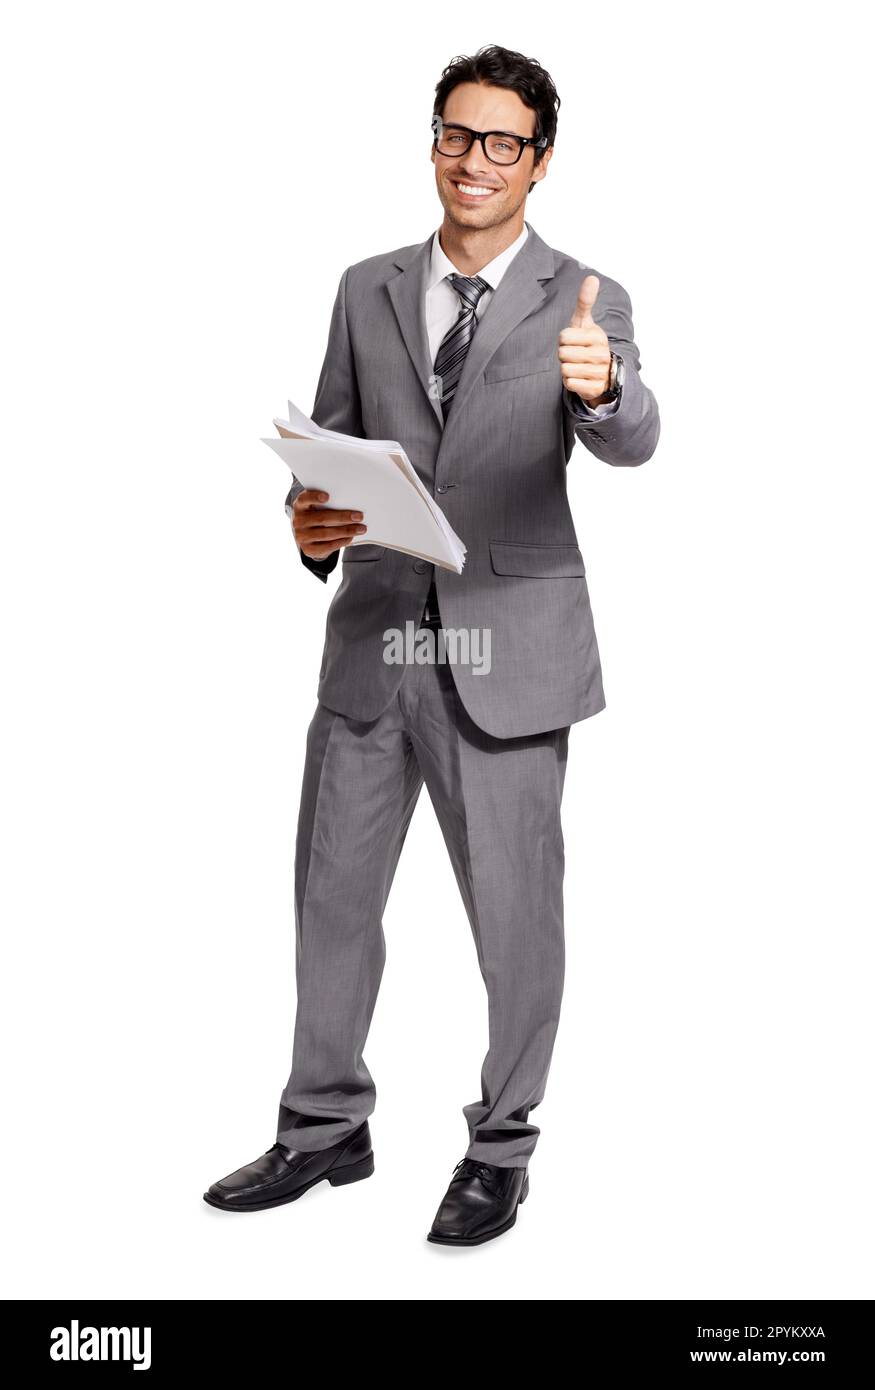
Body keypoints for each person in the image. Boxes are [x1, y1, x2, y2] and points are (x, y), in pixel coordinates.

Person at [204, 43, 660, 1246]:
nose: (474, 160)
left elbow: (634, 435)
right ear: (433, 142)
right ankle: (321, 1127)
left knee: (514, 921)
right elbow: (331, 451)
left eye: (501, 142)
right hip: (372, 644)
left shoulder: (581, 294)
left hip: (511, 653)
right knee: (329, 900)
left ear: (539, 161)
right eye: (456, 134)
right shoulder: (364, 286)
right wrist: (308, 523)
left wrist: (603, 386)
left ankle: (499, 1148)